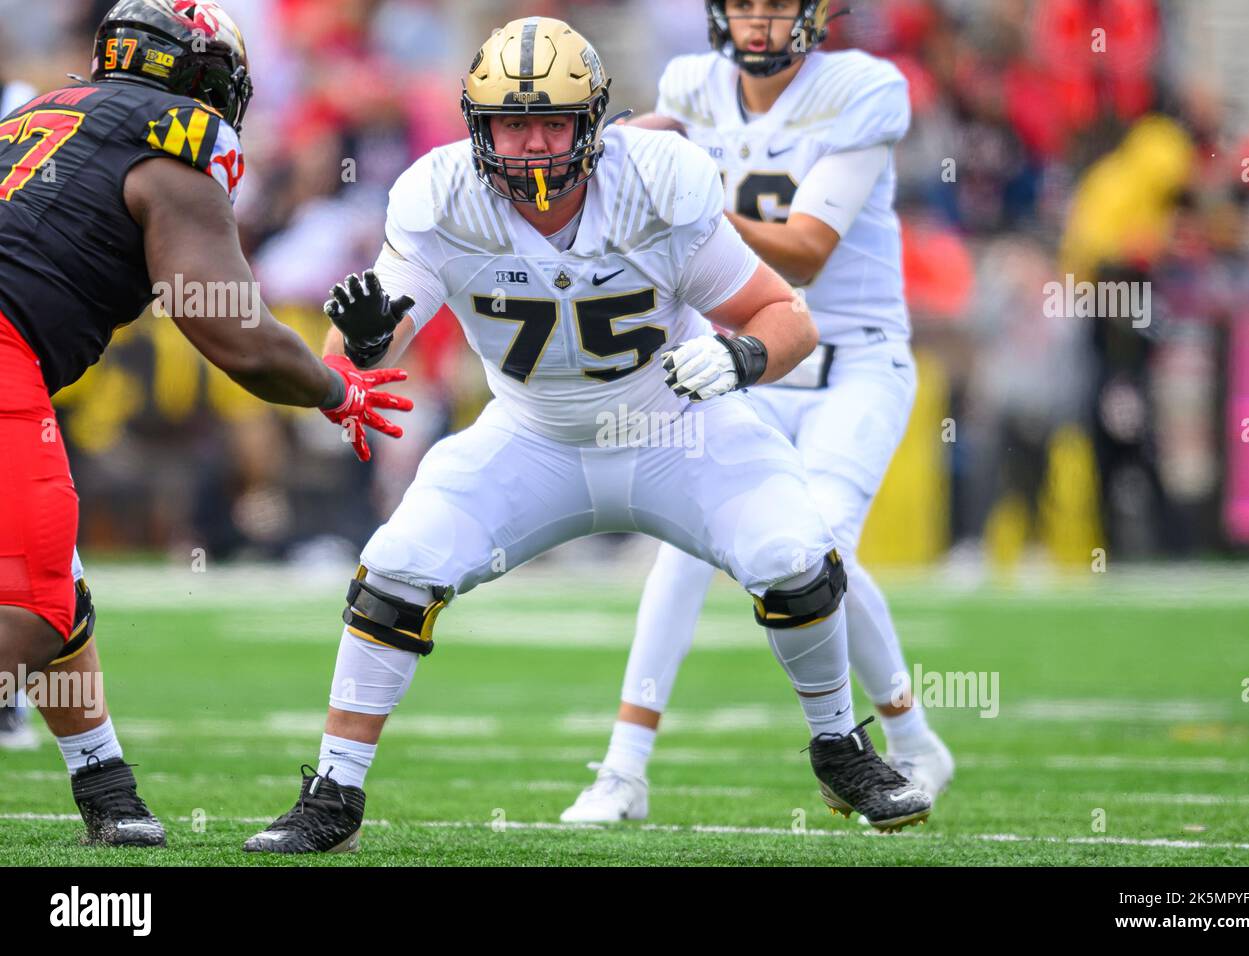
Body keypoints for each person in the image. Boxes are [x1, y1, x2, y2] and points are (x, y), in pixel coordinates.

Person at [243, 15, 930, 854]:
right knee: (396, 568)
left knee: (796, 554)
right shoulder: (440, 195)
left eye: (552, 122)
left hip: (676, 423)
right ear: (477, 126)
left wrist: (741, 358)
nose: (532, 146)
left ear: (594, 124)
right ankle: (334, 794)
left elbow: (785, 316)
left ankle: (838, 745)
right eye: (511, 123)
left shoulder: (658, 181)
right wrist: (353, 344)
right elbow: (363, 351)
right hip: (536, 435)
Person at [0, 0, 410, 847]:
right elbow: (228, 327)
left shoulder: (45, 108)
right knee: (34, 608)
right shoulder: (177, 138)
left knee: (54, 582)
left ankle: (106, 788)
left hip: (18, 357)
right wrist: (335, 389)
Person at [561, 0, 953, 825]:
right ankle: (623, 770)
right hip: (751, 364)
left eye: (778, 6)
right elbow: (631, 164)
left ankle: (911, 740)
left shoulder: (863, 86)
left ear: (816, 14)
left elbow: (808, 247)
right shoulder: (691, 85)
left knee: (818, 550)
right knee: (682, 545)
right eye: (744, 5)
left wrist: (690, 208)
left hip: (854, 362)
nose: (760, 22)